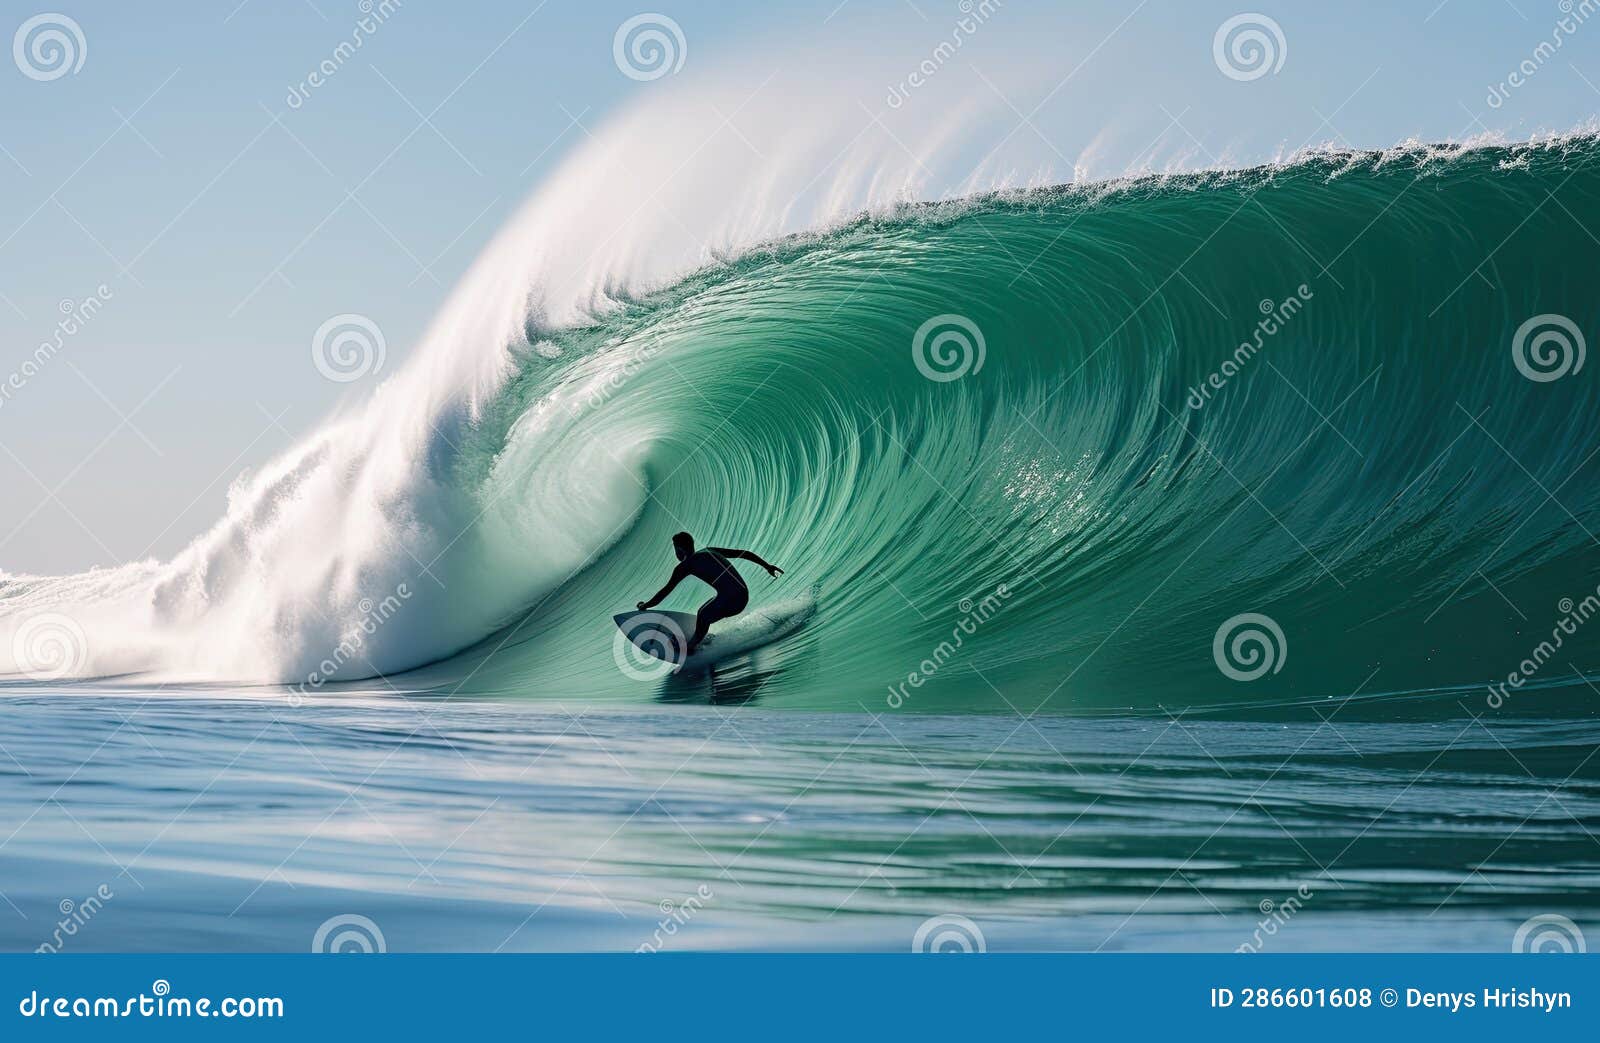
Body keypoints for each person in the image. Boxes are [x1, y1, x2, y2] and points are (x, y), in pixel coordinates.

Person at [636, 532, 782, 654]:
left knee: (703, 615)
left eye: (675, 548)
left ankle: (690, 648)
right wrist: (767, 566)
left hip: (731, 601)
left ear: (679, 549)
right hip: (743, 596)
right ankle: (701, 637)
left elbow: (665, 591)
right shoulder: (710, 550)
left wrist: (645, 606)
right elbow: (743, 553)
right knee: (702, 610)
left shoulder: (685, 566)